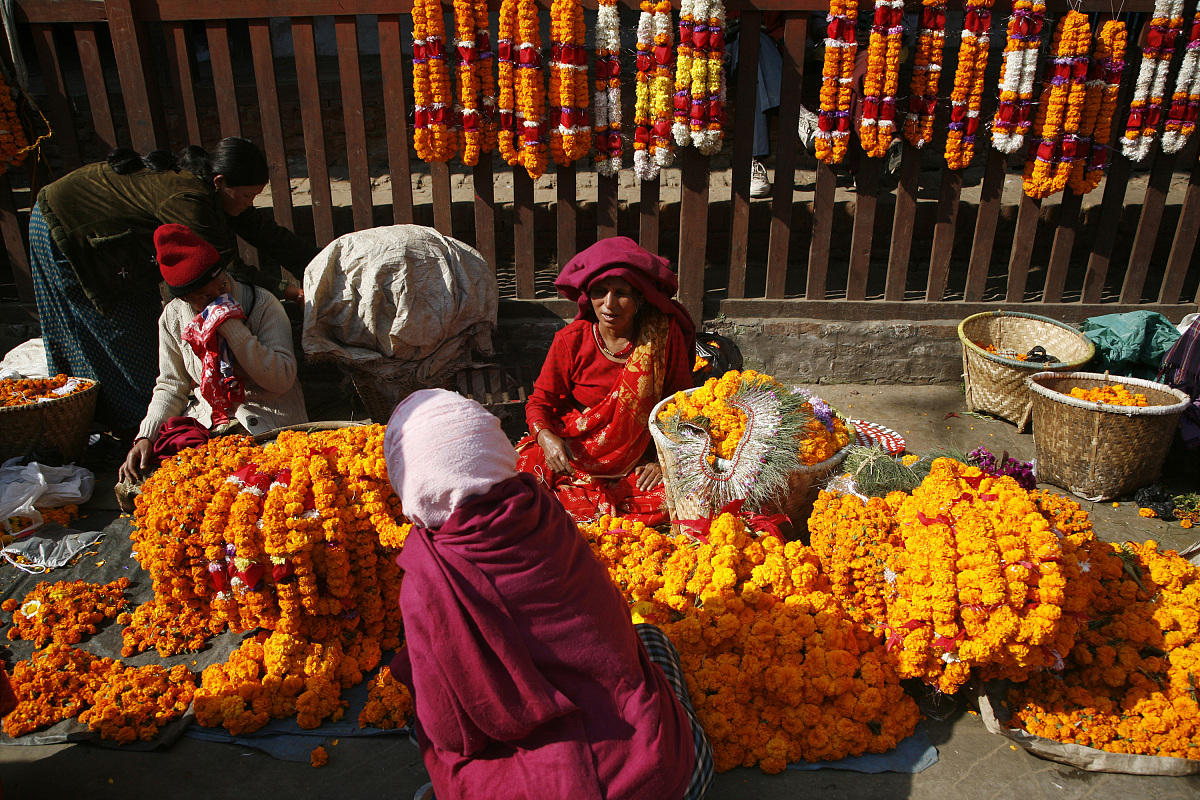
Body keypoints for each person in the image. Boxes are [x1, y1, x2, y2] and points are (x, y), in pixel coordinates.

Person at [383, 389, 713, 800]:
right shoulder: (541, 511)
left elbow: (450, 730)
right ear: (495, 451)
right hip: (666, 779)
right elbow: (608, 632)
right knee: (651, 642)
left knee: (429, 727)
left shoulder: (427, 577)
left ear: (415, 483)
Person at [29, 137, 317, 432]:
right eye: (246, 196)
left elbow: (260, 232)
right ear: (219, 181)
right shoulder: (186, 205)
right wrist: (292, 292)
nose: (249, 204)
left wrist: (321, 265)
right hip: (66, 223)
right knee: (114, 332)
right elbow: (228, 268)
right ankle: (117, 425)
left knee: (132, 330)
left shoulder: (261, 303)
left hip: (104, 228)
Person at [516, 236, 695, 526]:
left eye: (621, 293)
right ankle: (584, 505)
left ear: (640, 298)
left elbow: (679, 403)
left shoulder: (662, 336)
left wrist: (662, 460)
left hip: (638, 458)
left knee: (680, 496)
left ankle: (586, 508)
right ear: (589, 297)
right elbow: (539, 402)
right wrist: (547, 439)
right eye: (600, 292)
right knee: (518, 483)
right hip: (574, 451)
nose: (609, 304)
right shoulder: (571, 340)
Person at [118, 224, 307, 484]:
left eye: (223, 285)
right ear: (185, 299)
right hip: (209, 425)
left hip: (266, 424)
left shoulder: (262, 304)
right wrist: (146, 436)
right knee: (159, 483)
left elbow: (281, 379)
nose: (220, 296)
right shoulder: (174, 316)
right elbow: (172, 385)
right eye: (204, 296)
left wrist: (232, 328)